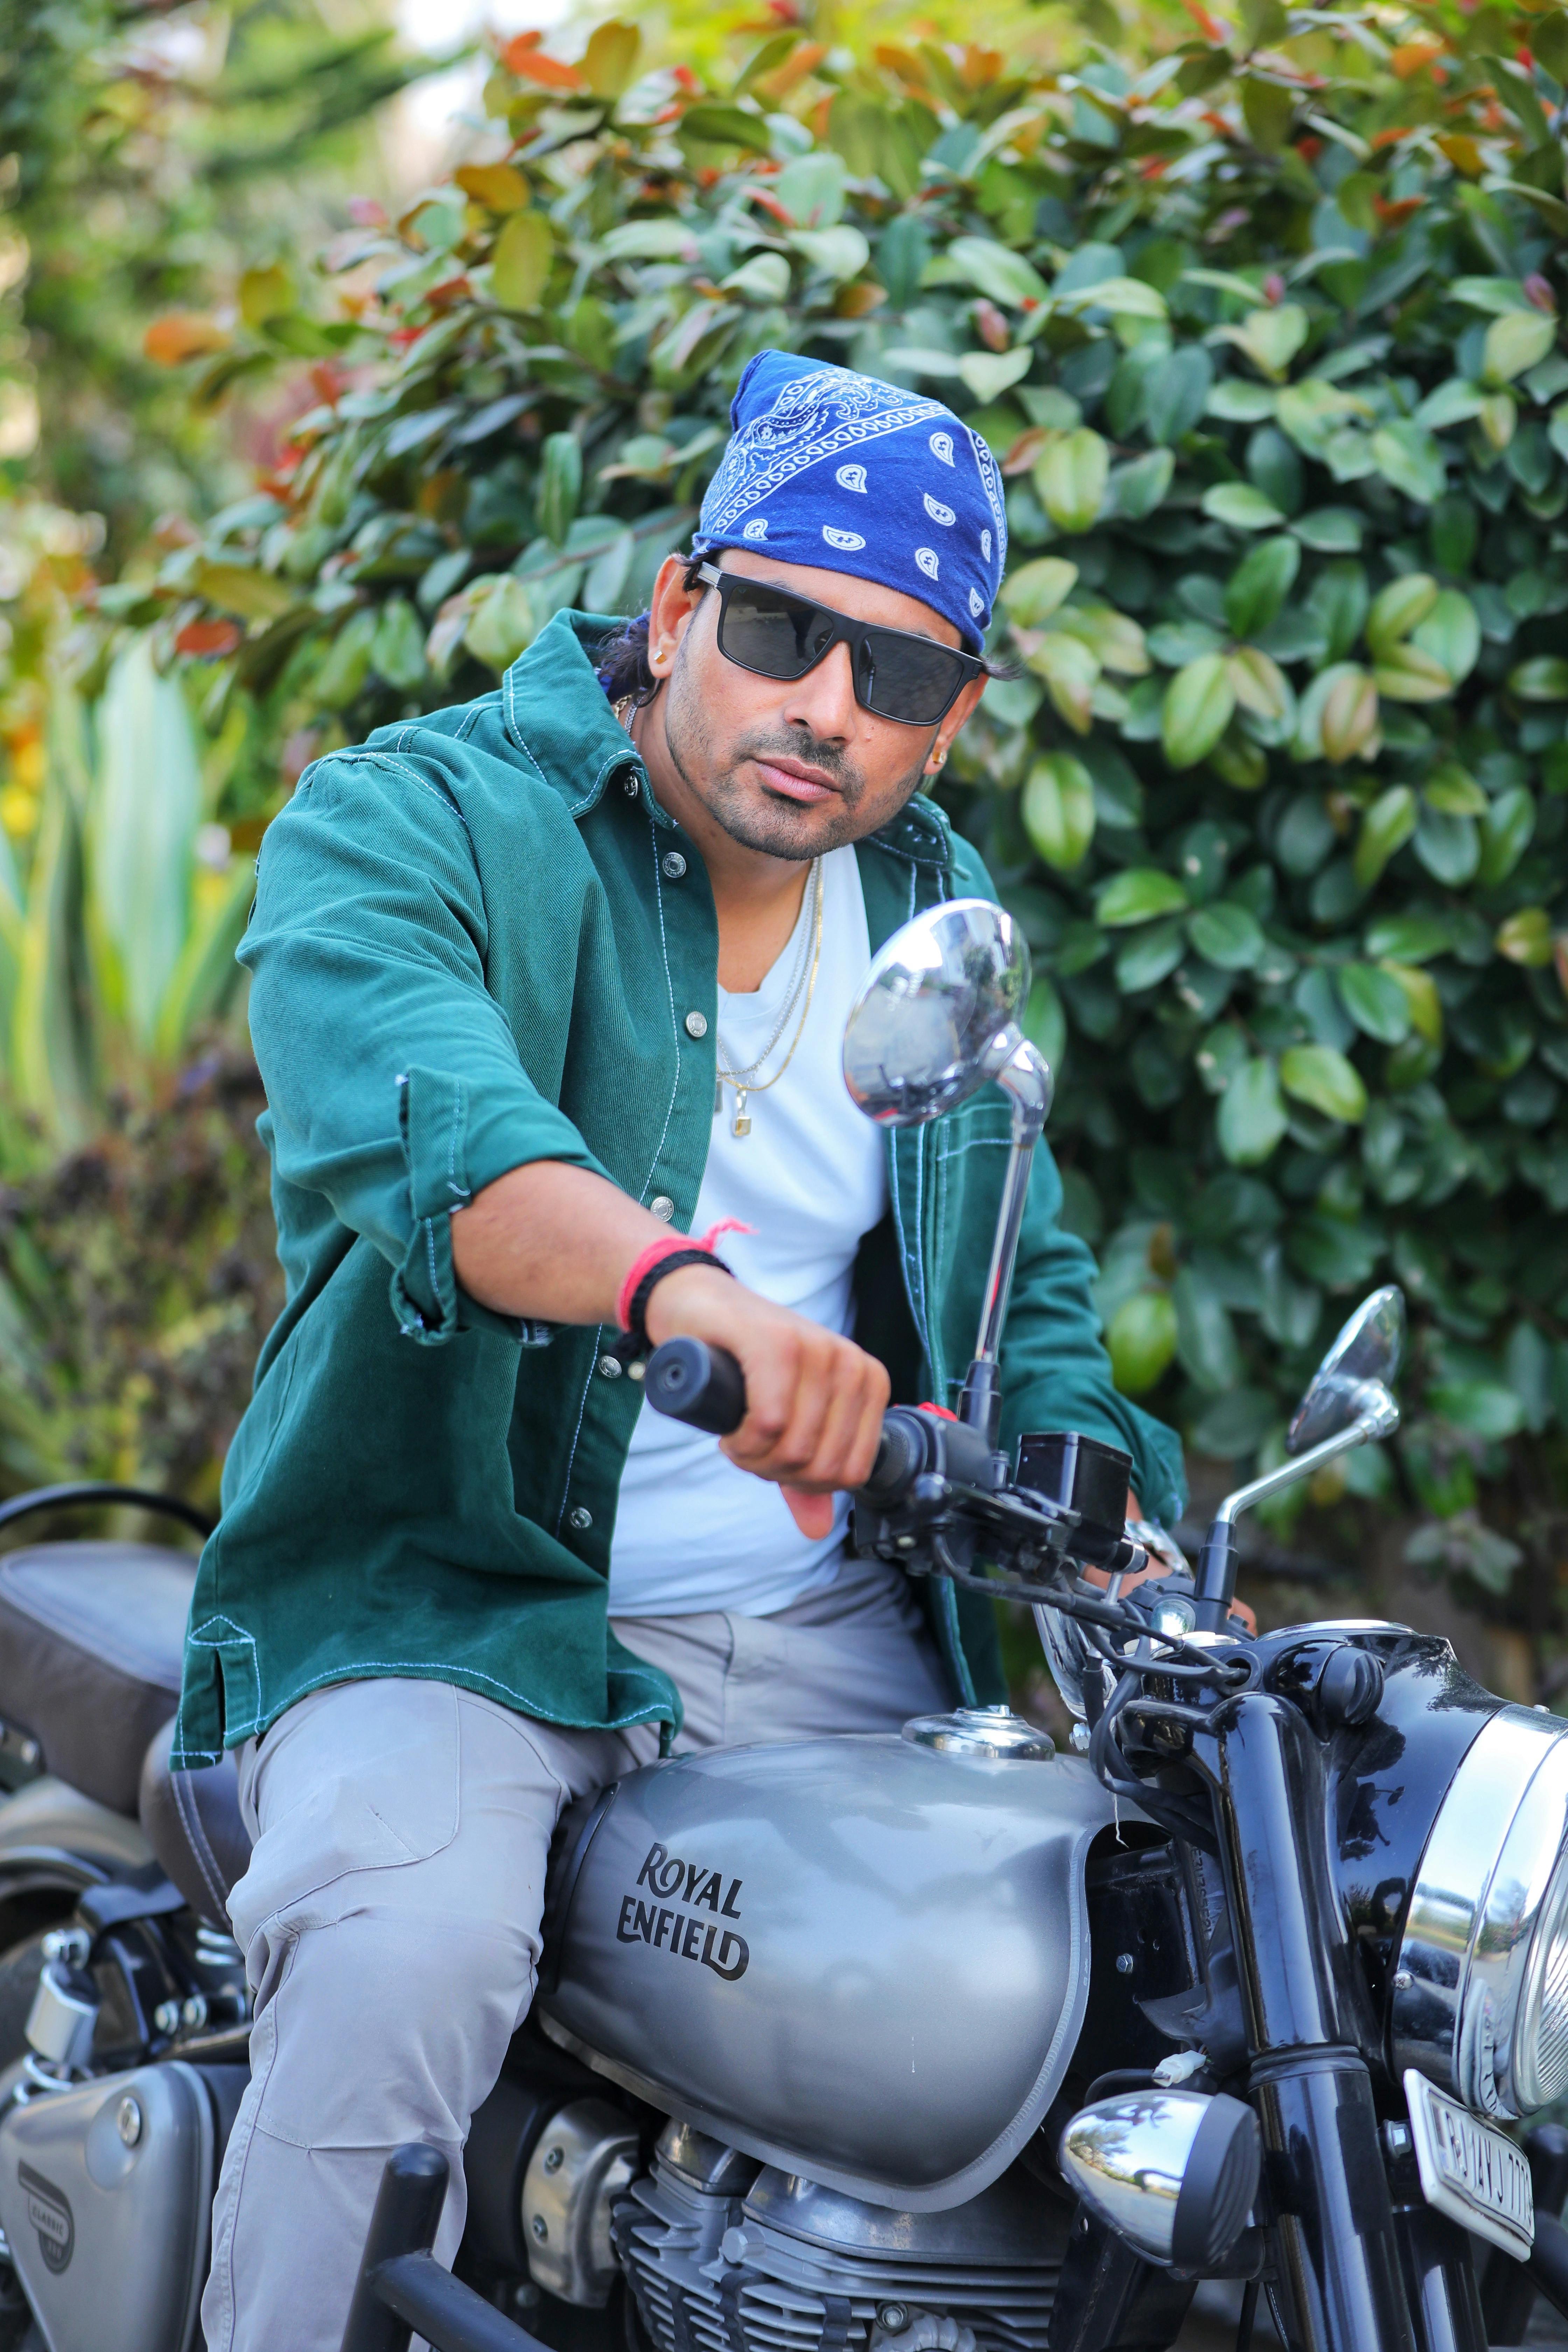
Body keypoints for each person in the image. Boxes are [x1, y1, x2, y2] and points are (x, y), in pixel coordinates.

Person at [173, 349, 1186, 2352]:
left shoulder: (931, 906)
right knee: (397, 1967)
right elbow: (443, 1135)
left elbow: (1022, 1285)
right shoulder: (419, 818)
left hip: (823, 1633)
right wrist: (679, 1291)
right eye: (785, 631)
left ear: (955, 717)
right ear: (676, 607)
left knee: (1109, 1994)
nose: (828, 706)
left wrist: (1122, 1536)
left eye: (899, 673)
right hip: (448, 1604)